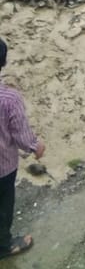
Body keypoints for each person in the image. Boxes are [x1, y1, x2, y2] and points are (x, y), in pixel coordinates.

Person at [0, 37, 45, 260]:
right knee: (3, 206)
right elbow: (20, 135)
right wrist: (35, 146)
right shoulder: (9, 99)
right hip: (3, 168)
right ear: (3, 63)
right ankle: (3, 246)